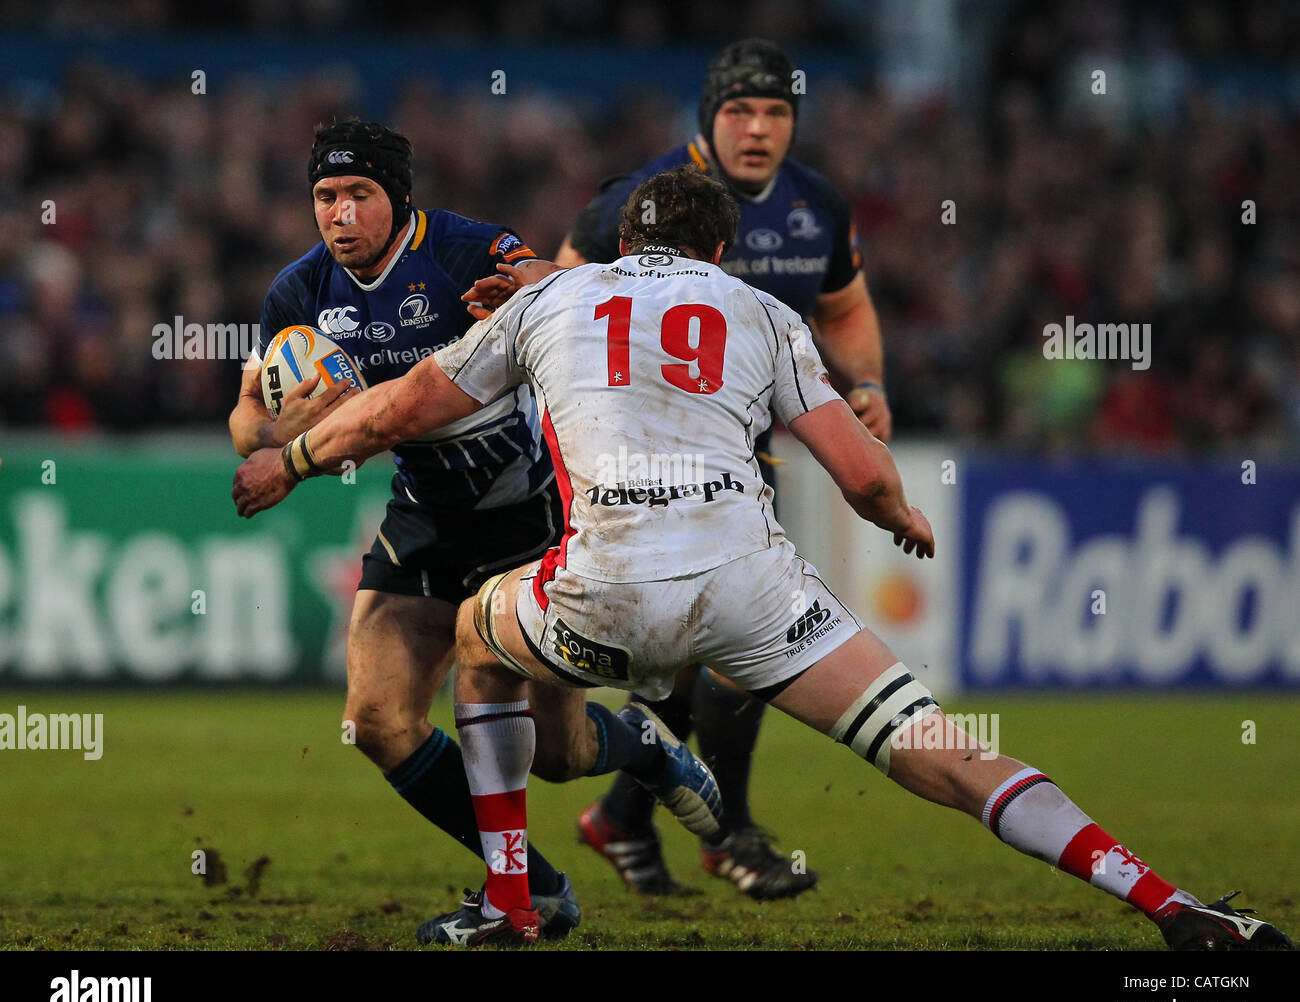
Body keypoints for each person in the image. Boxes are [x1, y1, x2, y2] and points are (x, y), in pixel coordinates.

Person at [232, 165, 1292, 952]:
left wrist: (298, 455)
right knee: (938, 750)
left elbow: (406, 405)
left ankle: (514, 904)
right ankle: (1167, 903)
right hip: (751, 584)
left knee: (474, 632)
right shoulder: (764, 312)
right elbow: (858, 469)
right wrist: (900, 517)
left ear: (615, 241)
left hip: (601, 581)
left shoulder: (548, 300)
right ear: (720, 253)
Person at [227, 118, 721, 945]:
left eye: (358, 194)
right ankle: (532, 888)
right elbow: (248, 416)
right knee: (376, 720)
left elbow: (552, 284)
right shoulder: (299, 294)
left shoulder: (463, 250)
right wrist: (288, 428)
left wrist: (524, 285)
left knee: (557, 755)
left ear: (400, 196)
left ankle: (639, 744)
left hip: (534, 519)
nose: (340, 214)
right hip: (428, 521)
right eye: (324, 196)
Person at [553, 37, 889, 900]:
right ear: (709, 116)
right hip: (639, 464)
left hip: (747, 461)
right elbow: (556, 300)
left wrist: (869, 382)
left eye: (776, 112)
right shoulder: (645, 201)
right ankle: (722, 832)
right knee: (709, 650)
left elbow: (846, 308)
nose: (757, 128)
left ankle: (641, 821)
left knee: (710, 652)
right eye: (740, 110)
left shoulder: (818, 206)